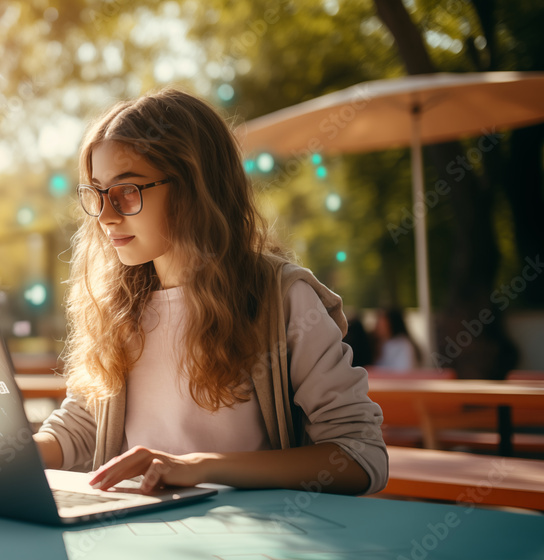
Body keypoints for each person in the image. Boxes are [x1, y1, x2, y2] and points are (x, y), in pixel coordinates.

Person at [33, 87, 387, 496]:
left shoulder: (281, 299)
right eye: (96, 194)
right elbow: (83, 425)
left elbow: (360, 455)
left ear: (193, 186)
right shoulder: (117, 305)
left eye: (127, 191)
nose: (106, 216)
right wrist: (9, 454)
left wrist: (200, 468)